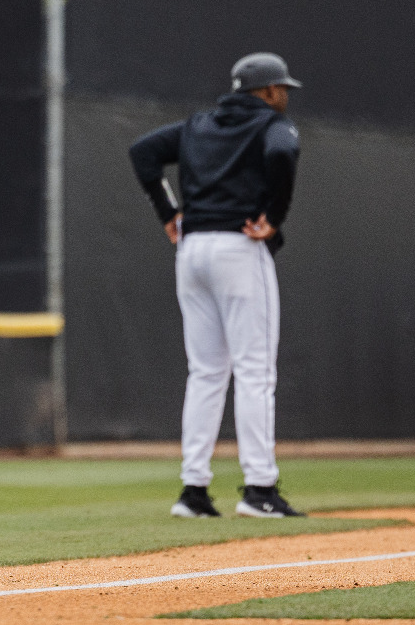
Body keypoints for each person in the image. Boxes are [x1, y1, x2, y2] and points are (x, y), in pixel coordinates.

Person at [128, 52, 305, 520]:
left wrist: (168, 213)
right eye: (281, 88)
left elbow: (143, 152)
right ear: (266, 91)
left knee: (206, 372)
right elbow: (284, 153)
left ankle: (194, 491)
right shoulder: (270, 124)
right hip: (238, 248)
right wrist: (274, 217)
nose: (285, 95)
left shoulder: (198, 124)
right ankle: (260, 489)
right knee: (254, 371)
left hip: (193, 251)